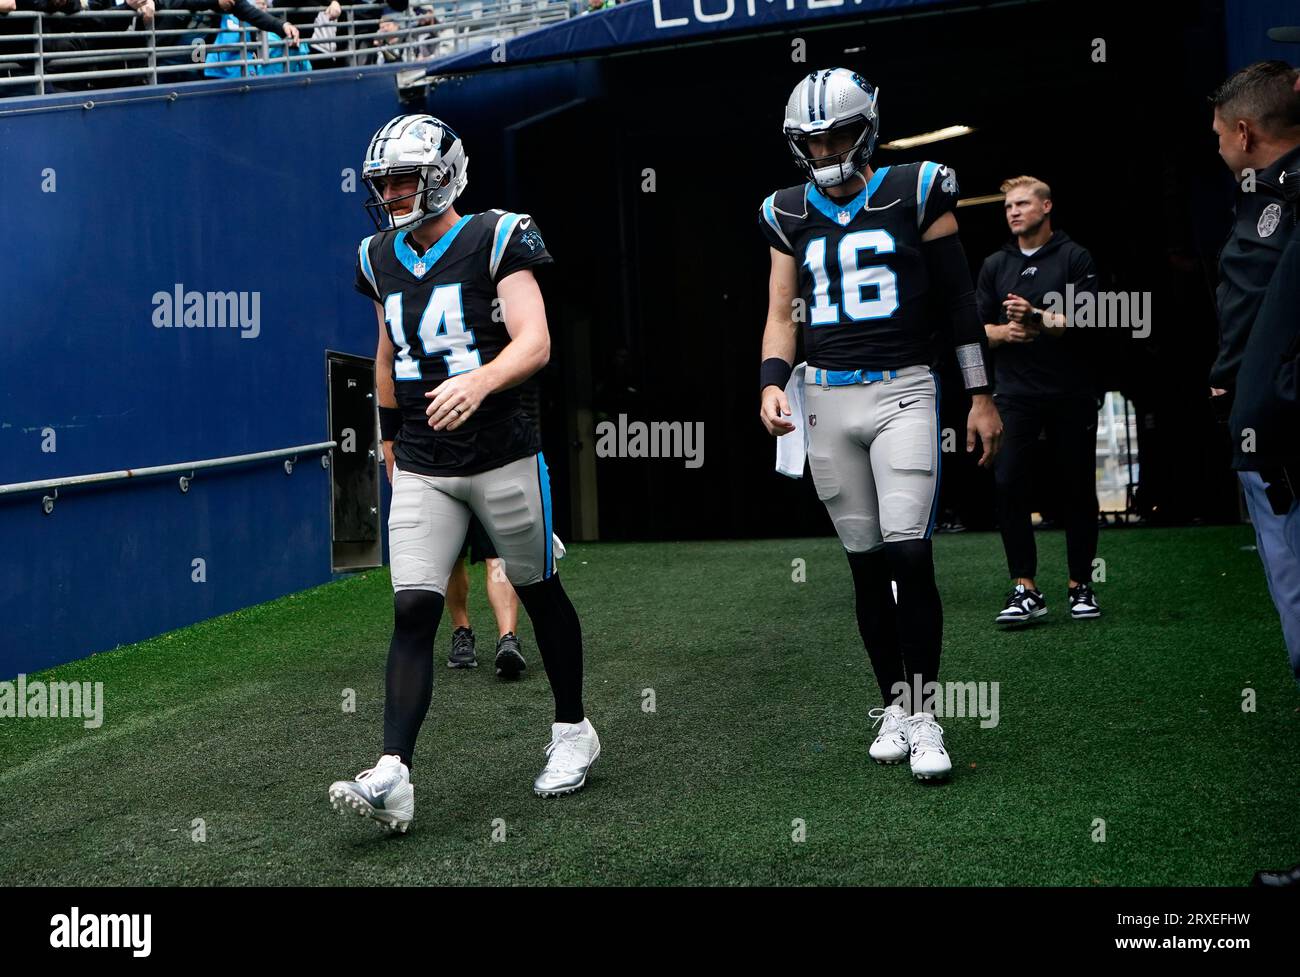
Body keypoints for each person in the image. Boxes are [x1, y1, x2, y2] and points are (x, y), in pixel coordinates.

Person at [329, 115, 599, 834]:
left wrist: (479, 382)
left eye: (402, 178)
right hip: (423, 460)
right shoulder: (378, 255)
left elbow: (535, 340)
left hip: (503, 451)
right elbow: (386, 351)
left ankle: (573, 728)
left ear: (443, 175)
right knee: (412, 608)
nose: (389, 192)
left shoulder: (497, 234)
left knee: (539, 588)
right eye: (381, 181)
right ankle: (393, 770)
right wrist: (387, 440)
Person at [758, 68, 1002, 781]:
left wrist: (980, 394)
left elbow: (959, 301)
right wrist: (771, 382)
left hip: (903, 389)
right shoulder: (785, 209)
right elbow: (780, 310)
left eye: (836, 133)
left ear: (865, 128)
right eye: (812, 138)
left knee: (909, 556)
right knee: (865, 566)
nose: (825, 147)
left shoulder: (915, 187)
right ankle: (894, 704)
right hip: (826, 399)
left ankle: (926, 715)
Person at [1212, 59, 1300, 888]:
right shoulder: (1264, 197)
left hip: (1278, 439)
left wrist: (1250, 405)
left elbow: (1267, 308)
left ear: (1243, 132)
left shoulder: (1282, 201)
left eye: (1217, 136)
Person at [977, 175, 1102, 627]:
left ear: (1047, 207)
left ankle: (1080, 586)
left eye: (1023, 203)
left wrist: (1036, 317)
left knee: (1076, 489)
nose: (1013, 211)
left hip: (1070, 392)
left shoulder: (1074, 257)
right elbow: (973, 335)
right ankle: (1025, 589)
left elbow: (1085, 320)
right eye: (1008, 204)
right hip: (1015, 395)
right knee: (1008, 481)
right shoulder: (995, 264)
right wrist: (1003, 332)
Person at [444, 518, 527, 678]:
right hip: (448, 493)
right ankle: (462, 630)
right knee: (452, 555)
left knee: (497, 557)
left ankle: (507, 639)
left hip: (490, 493)